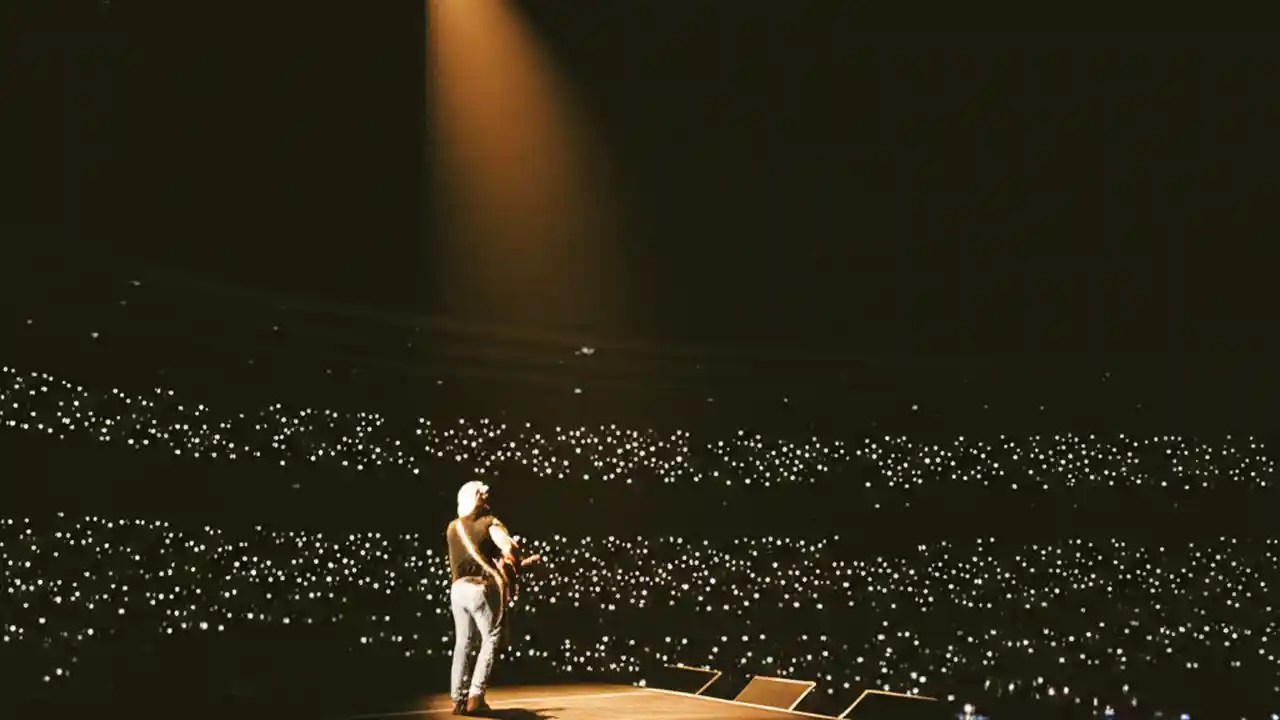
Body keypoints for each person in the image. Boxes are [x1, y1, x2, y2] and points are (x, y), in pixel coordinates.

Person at [446, 480, 534, 715]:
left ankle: (458, 699)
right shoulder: (490, 523)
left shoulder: (453, 527)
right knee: (492, 636)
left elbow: (476, 556)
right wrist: (516, 554)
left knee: (463, 642)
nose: (488, 500)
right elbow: (508, 549)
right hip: (479, 589)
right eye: (484, 496)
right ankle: (476, 695)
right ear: (479, 498)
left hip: (457, 590)